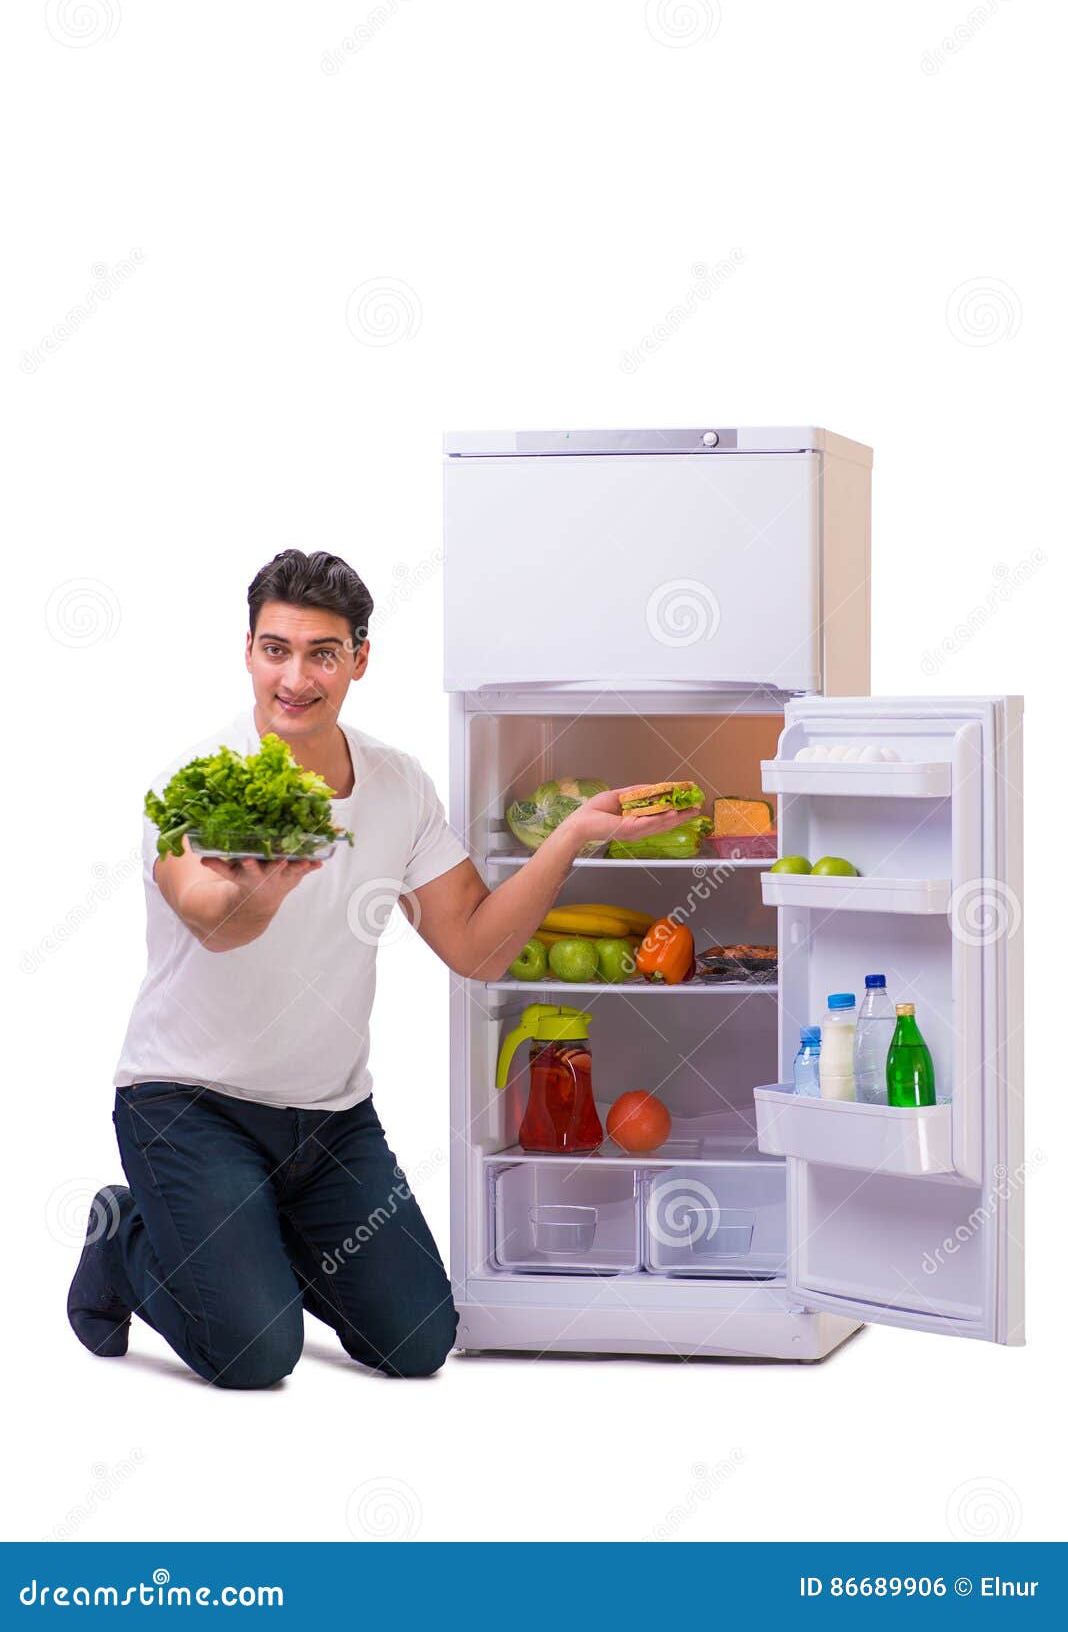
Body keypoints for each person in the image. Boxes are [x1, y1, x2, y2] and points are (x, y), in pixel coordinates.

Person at [67, 547, 698, 1389]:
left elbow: (475, 946)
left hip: (330, 1121)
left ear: (359, 659)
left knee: (417, 1342)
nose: (296, 678)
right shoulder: (198, 783)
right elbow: (208, 917)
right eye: (275, 649)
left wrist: (573, 834)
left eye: (322, 653)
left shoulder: (397, 784)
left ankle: (247, 1239)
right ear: (248, 651)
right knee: (255, 1354)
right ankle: (125, 1239)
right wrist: (260, 890)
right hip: (187, 1107)